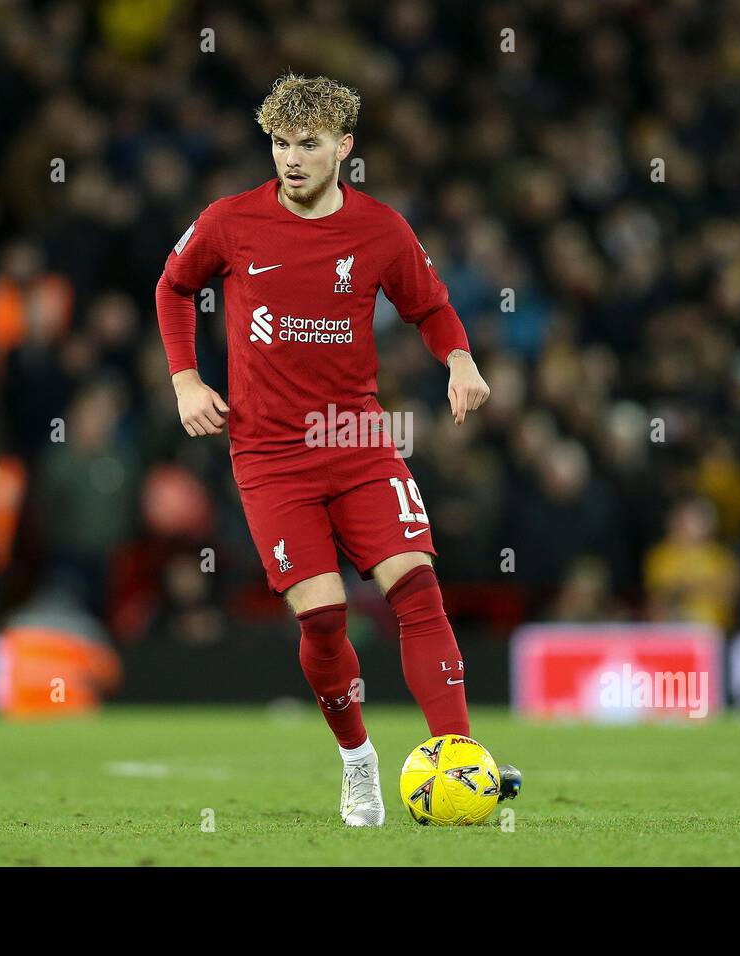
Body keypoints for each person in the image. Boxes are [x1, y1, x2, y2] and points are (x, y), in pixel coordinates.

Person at [154, 73, 519, 824]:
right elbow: (173, 286)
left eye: (308, 144)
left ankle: (459, 758)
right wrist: (187, 380)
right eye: (282, 144)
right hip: (270, 456)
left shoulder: (382, 230)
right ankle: (358, 760)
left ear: (344, 148)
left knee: (416, 588)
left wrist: (460, 360)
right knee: (323, 620)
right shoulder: (230, 220)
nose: (291, 159)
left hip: (356, 440)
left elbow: (432, 305)